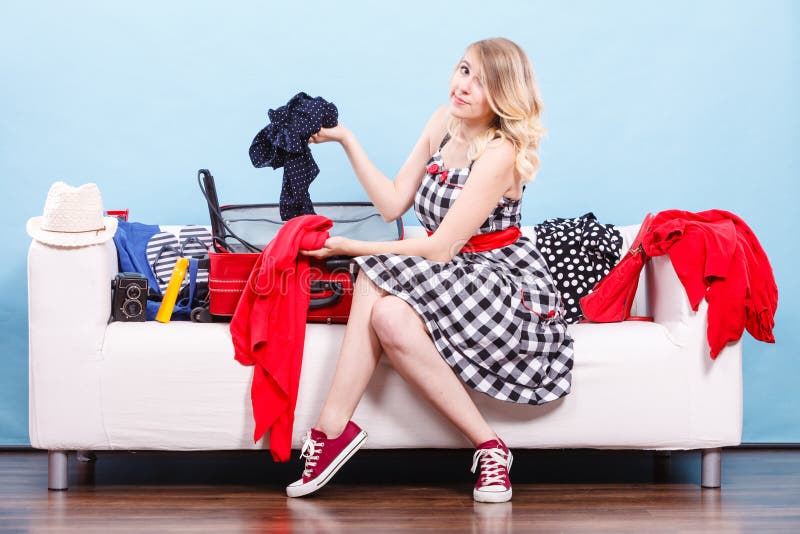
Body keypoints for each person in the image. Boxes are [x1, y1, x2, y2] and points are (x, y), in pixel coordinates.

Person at [290, 37, 574, 503]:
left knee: (373, 268)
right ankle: (491, 448)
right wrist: (346, 139)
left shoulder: (500, 152)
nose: (463, 86)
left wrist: (352, 248)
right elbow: (391, 204)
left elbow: (442, 247)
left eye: (481, 81)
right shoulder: (442, 122)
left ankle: (330, 428)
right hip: (448, 273)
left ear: (503, 96)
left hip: (498, 280)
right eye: (463, 70)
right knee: (388, 316)